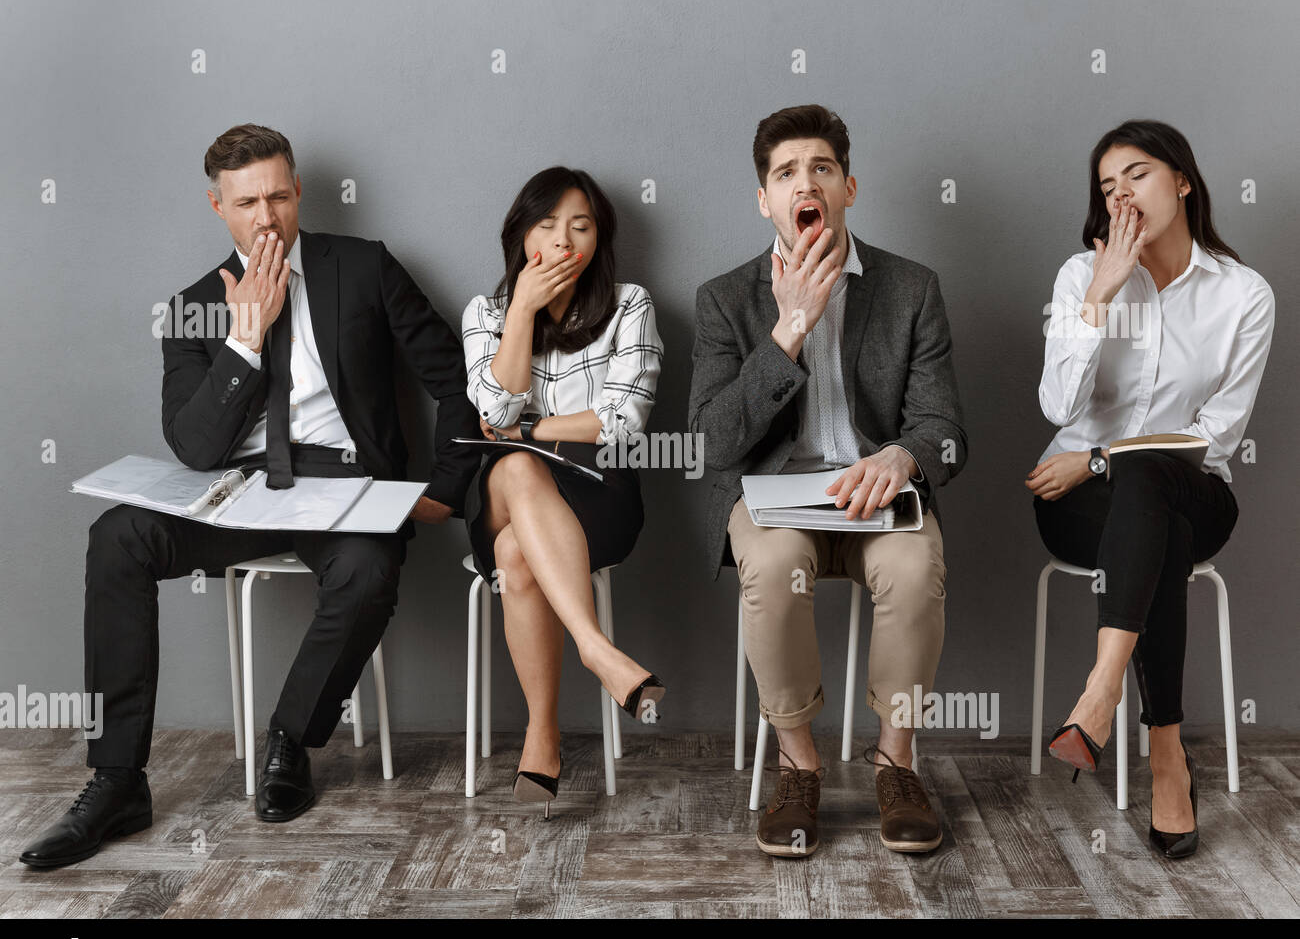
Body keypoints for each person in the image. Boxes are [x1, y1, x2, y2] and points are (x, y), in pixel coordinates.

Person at [19, 124, 481, 868]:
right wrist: (244, 340)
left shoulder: (362, 268)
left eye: (276, 196)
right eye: (245, 202)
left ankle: (289, 742)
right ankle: (116, 780)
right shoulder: (192, 307)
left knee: (368, 571)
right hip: (234, 492)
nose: (265, 218)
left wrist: (447, 491)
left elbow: (454, 378)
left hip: (343, 484)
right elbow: (195, 448)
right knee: (116, 537)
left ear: (297, 191)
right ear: (218, 207)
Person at [688, 104, 968, 858]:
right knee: (774, 567)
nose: (802, 182)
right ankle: (798, 765)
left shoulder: (911, 287)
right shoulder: (725, 300)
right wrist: (789, 331)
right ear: (764, 200)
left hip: (877, 500)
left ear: (848, 187)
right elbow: (713, 443)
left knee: (916, 567)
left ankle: (897, 763)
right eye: (785, 173)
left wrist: (901, 457)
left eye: (819, 168)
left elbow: (944, 426)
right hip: (778, 502)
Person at [1028, 119, 1274, 859]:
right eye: (1108, 187)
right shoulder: (1082, 276)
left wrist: (1101, 457)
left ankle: (1100, 693)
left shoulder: (1243, 295)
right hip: (1081, 507)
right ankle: (1165, 755)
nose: (1122, 195)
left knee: (1154, 477)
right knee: (1153, 523)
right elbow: (1056, 409)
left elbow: (1215, 437)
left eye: (1137, 174)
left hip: (1197, 493)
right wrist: (1099, 299)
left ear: (1183, 181)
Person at [461, 167, 665, 816]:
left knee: (519, 550)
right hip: (500, 489)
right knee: (517, 469)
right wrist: (520, 309)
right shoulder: (485, 314)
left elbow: (623, 419)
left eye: (580, 225)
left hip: (598, 493)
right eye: (546, 225)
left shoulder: (629, 305)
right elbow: (493, 411)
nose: (563, 239)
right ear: (522, 238)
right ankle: (597, 649)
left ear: (598, 238)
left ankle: (541, 735)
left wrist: (527, 428)